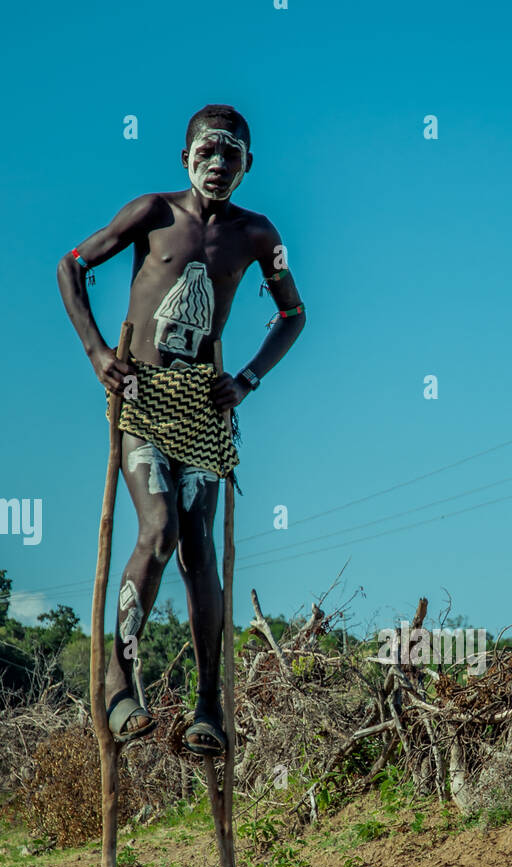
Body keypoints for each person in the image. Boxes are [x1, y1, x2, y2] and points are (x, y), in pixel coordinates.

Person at [58, 104, 305, 753]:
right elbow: (72, 265)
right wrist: (98, 355)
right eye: (207, 153)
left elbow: (294, 312)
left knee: (199, 546)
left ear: (248, 165)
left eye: (231, 155)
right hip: (141, 391)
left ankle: (206, 709)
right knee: (159, 528)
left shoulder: (257, 235)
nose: (218, 165)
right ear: (185, 159)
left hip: (203, 401)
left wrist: (247, 379)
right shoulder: (152, 214)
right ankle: (119, 682)